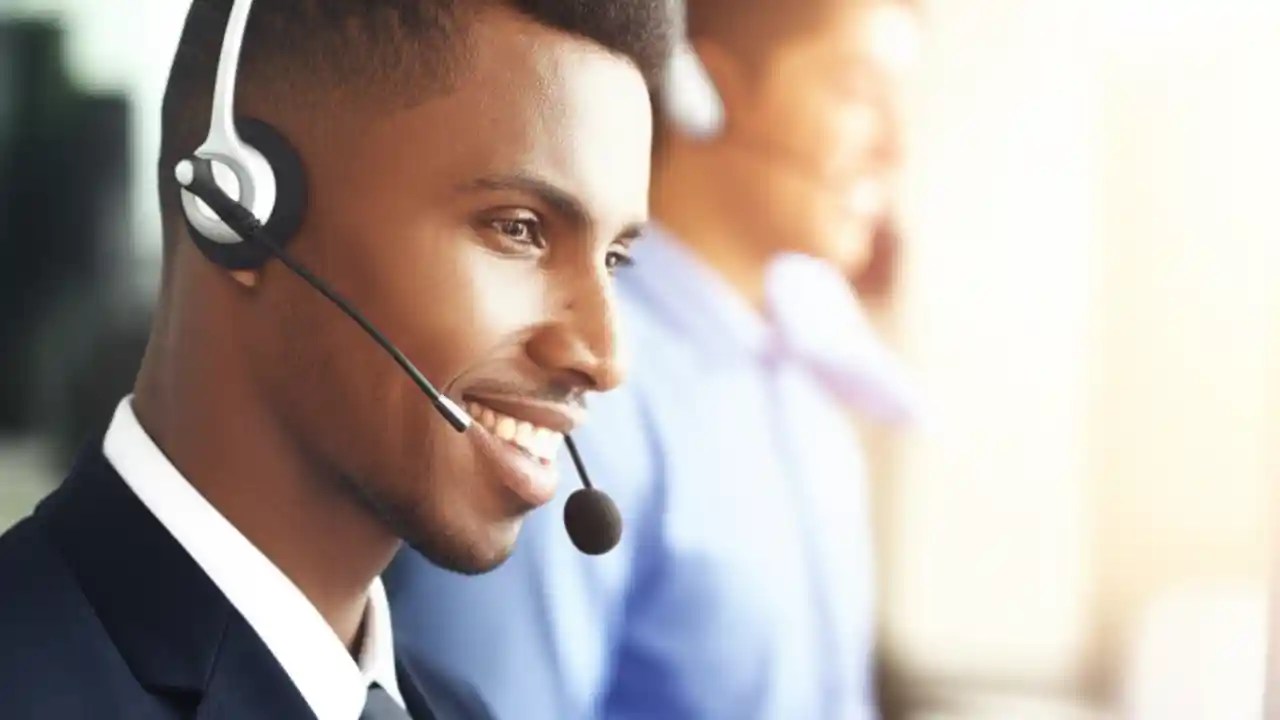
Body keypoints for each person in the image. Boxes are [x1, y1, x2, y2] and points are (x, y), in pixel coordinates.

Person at [0, 0, 674, 717]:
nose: (604, 358)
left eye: (614, 258)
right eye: (519, 230)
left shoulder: (453, 707)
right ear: (239, 211)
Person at [385, 0, 923, 718]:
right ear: (707, 90)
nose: (895, 149)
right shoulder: (564, 391)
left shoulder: (810, 398)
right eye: (859, 92)